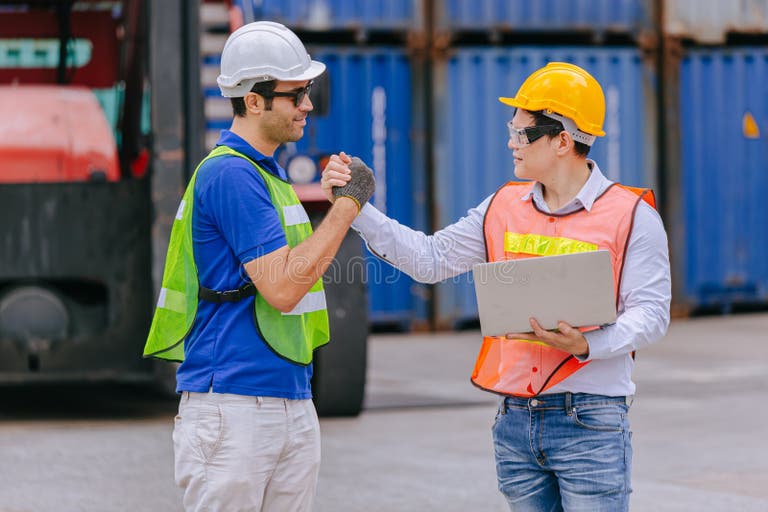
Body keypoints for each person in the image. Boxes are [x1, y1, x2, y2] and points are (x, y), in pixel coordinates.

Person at [322, 62, 670, 511]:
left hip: (591, 419)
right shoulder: (501, 206)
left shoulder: (632, 215)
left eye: (522, 132)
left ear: (563, 140)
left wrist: (587, 344)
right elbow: (429, 260)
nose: (510, 142)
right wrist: (357, 207)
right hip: (515, 421)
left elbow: (651, 313)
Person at [143, 21, 374, 512]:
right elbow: (284, 289)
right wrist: (348, 208)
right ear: (253, 100)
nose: (308, 105)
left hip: (284, 397)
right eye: (296, 94)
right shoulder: (231, 174)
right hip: (235, 406)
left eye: (308, 91)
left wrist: (335, 204)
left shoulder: (271, 178)